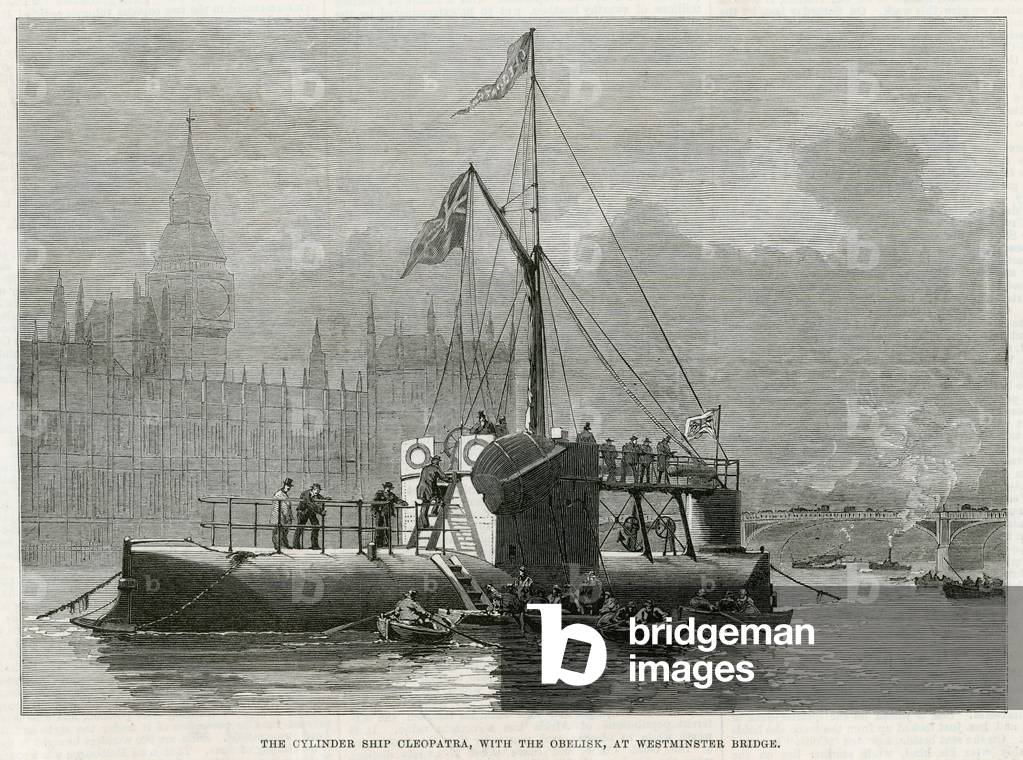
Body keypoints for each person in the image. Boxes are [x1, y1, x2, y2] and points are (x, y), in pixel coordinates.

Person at [416, 455, 450, 528]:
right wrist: (452, 480)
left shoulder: (425, 468)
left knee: (425, 506)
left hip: (421, 489)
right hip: (429, 489)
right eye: (438, 461)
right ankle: (434, 511)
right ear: (437, 461)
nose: (438, 462)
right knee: (440, 497)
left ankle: (425, 524)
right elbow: (444, 477)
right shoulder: (436, 468)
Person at [372, 481, 407, 547]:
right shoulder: (379, 494)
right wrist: (374, 511)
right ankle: (379, 543)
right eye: (388, 488)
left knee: (387, 528)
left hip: (387, 514)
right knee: (379, 528)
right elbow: (374, 503)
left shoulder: (391, 495)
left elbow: (397, 500)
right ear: (385, 487)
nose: (389, 489)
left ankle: (387, 543)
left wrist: (403, 502)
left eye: (390, 488)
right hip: (379, 514)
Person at [293, 482, 327, 550]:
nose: (317, 492)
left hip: (311, 513)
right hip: (303, 512)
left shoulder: (316, 495)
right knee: (300, 528)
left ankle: (314, 545)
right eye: (316, 490)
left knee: (316, 526)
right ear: (312, 489)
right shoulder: (305, 494)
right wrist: (321, 512)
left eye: (319, 490)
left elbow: (321, 498)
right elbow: (310, 504)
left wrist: (326, 499)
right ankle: (296, 545)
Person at [271, 477, 294, 551]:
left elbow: (287, 507)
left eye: (289, 486)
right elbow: (283, 507)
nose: (289, 487)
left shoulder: (284, 494)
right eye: (287, 486)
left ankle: (283, 544)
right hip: (279, 516)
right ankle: (277, 546)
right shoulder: (279, 494)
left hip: (284, 516)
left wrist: (289, 517)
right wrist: (287, 516)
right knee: (278, 531)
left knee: (284, 531)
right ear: (284, 485)